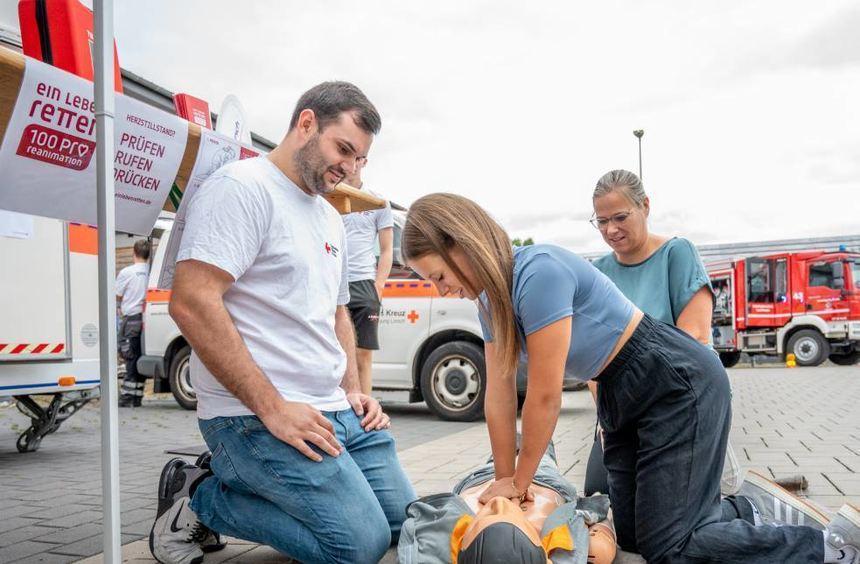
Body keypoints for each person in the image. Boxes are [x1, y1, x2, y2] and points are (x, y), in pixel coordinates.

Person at [401, 192, 860, 564]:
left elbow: (543, 397)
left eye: (438, 275)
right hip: (619, 391)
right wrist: (504, 483)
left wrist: (521, 484)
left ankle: (830, 548)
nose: (441, 290)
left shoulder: (536, 271)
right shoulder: (489, 303)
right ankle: (753, 508)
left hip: (671, 380)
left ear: (460, 243)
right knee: (635, 536)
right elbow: (499, 398)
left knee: (673, 548)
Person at [148, 81, 416, 564]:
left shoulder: (329, 216)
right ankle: (199, 497)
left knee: (405, 523)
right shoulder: (240, 188)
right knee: (358, 546)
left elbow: (335, 313)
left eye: (360, 159)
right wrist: (272, 408)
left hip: (334, 408)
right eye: (344, 149)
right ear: (306, 123)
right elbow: (191, 301)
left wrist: (353, 389)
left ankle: (291, 493)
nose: (350, 168)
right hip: (254, 418)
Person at [585, 169, 739, 497]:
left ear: (645, 206)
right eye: (601, 221)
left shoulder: (677, 254)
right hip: (623, 412)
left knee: (668, 521)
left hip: (678, 402)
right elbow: (592, 358)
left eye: (620, 217)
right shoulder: (597, 273)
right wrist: (607, 419)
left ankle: (752, 511)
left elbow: (693, 343)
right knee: (598, 496)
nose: (611, 229)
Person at [340, 158, 394, 394]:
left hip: (363, 283)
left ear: (364, 161)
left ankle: (364, 416)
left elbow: (386, 250)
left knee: (362, 355)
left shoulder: (377, 202)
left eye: (357, 158)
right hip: (333, 282)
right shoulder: (326, 197)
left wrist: (378, 286)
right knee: (335, 353)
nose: (351, 162)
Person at [117, 239, 150, 408]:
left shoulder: (127, 272)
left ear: (134, 253)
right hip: (145, 319)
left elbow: (117, 294)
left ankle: (128, 397)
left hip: (130, 319)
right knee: (137, 356)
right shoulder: (151, 271)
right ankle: (137, 396)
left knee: (129, 357)